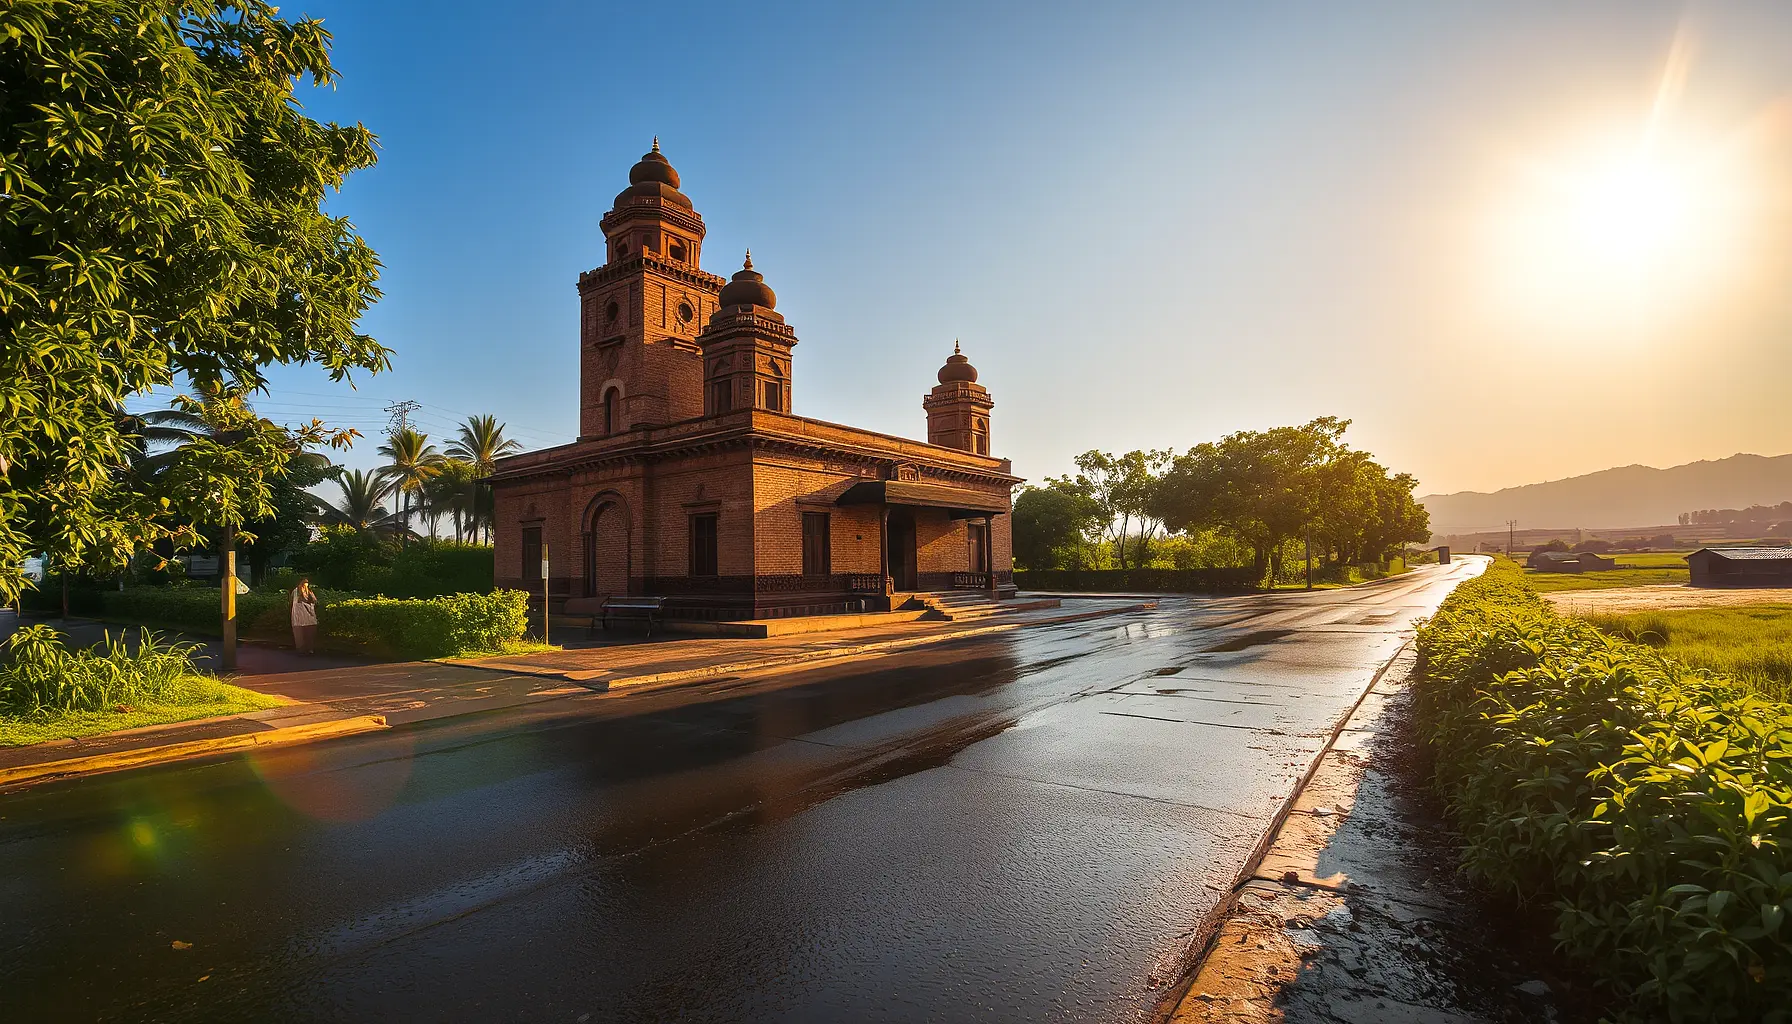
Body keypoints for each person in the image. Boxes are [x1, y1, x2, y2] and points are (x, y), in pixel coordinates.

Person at [290, 578, 318, 655]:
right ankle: (309, 649)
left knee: (300, 635)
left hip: (298, 618)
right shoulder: (307, 591)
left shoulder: (295, 592)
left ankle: (302, 649)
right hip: (308, 618)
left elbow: (291, 602)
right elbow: (315, 601)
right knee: (308, 635)